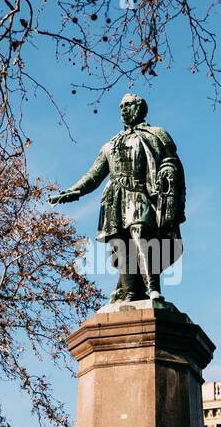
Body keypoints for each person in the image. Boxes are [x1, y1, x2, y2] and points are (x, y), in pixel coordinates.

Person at [50, 93, 185, 304]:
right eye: (121, 106)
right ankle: (131, 291)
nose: (123, 109)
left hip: (140, 193)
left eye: (128, 105)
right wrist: (74, 191)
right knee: (122, 246)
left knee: (140, 234)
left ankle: (153, 289)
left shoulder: (157, 134)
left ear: (140, 108)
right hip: (115, 198)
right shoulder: (110, 145)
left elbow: (171, 161)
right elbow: (93, 175)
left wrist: (168, 172)